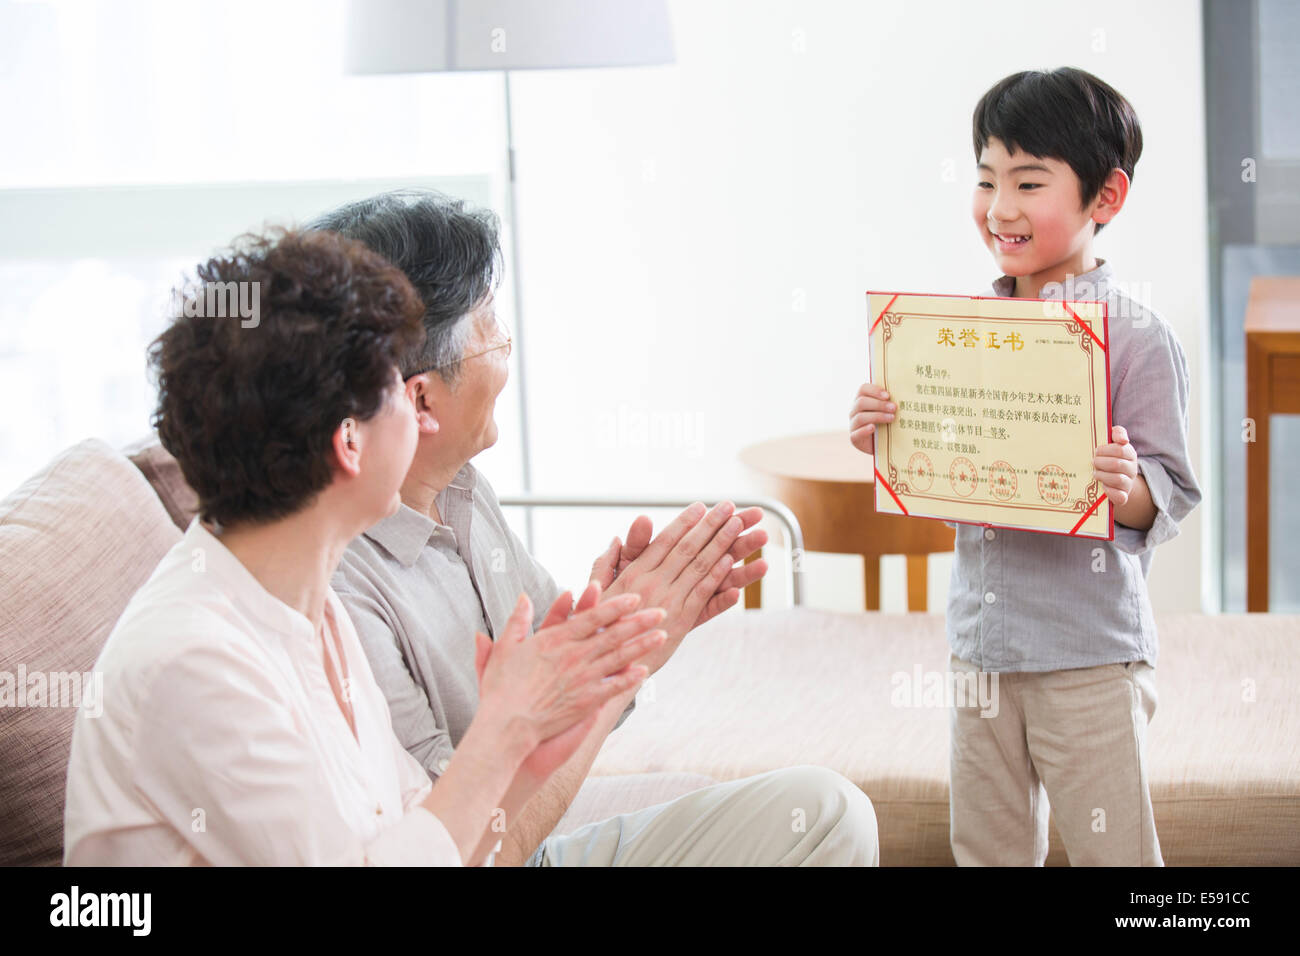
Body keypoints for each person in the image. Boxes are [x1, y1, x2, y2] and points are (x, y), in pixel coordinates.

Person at [63, 228, 667, 866]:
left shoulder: (308, 609)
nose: (418, 410)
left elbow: (417, 832)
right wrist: (501, 734)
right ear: (349, 443)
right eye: (398, 390)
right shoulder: (194, 665)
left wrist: (533, 737)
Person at [315, 191, 881, 867]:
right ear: (422, 398)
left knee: (826, 812)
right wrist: (616, 675)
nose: (508, 348)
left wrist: (616, 627)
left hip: (544, 851)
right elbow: (468, 848)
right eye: (490, 326)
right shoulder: (341, 593)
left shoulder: (461, 489)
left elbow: (559, 666)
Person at [850, 67, 1201, 866]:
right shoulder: (956, 335)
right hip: (980, 644)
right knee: (986, 848)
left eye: (1029, 181)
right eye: (986, 179)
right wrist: (891, 441)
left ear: (1104, 198)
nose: (999, 207)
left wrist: (1127, 487)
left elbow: (1171, 494)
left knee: (1116, 854)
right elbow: (961, 487)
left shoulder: (1136, 337)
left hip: (1086, 652)